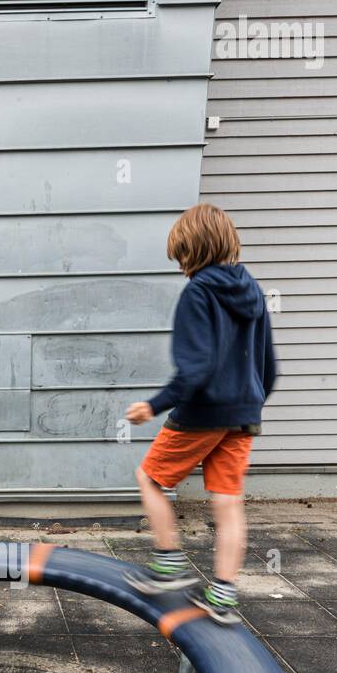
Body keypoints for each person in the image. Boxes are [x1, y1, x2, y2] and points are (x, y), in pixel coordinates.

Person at [124, 203, 277, 624]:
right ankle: (223, 595)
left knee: (150, 478)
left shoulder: (198, 293)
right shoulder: (253, 290)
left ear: (191, 251)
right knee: (227, 503)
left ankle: (168, 563)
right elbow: (269, 365)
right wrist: (250, 401)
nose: (180, 267)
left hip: (204, 412)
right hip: (243, 416)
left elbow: (196, 368)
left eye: (180, 257)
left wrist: (154, 404)